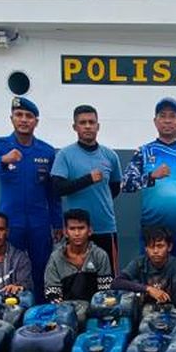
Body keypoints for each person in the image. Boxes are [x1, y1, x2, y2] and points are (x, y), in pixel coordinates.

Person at [0, 96, 61, 299]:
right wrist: (2, 160)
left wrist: (57, 223)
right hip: (11, 223)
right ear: (11, 118)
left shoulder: (46, 151)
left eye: (29, 116)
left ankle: (39, 311)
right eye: (19, 115)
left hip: (39, 223)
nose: (23, 119)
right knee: (11, 271)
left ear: (36, 122)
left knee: (42, 269)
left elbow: (52, 192)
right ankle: (13, 312)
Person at [121, 97, 176, 263]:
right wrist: (151, 176)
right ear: (155, 121)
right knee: (149, 280)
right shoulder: (144, 151)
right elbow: (126, 185)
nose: (167, 121)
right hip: (152, 230)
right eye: (163, 116)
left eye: (172, 116)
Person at [51, 105, 123, 271]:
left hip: (105, 227)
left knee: (108, 279)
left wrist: (99, 201)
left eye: (92, 122)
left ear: (98, 126)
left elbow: (114, 189)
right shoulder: (64, 155)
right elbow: (58, 188)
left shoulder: (110, 156)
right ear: (75, 127)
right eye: (83, 122)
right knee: (75, 279)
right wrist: (88, 179)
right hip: (76, 230)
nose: (88, 126)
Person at [42, 209, 114, 303]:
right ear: (65, 232)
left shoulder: (100, 255)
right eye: (72, 229)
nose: (77, 233)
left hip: (94, 310)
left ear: (89, 231)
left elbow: (105, 291)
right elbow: (52, 293)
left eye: (81, 228)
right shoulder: (55, 258)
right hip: (64, 311)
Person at [112, 226, 176, 306]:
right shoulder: (139, 263)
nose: (155, 251)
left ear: (169, 247)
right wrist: (148, 289)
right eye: (151, 246)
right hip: (143, 308)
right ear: (146, 248)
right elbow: (116, 282)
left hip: (170, 309)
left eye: (160, 246)